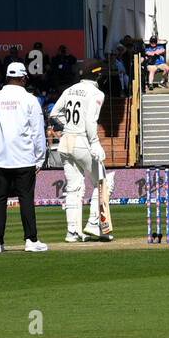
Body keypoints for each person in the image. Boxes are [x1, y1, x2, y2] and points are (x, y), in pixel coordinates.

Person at [0, 63, 49, 253]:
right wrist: (40, 158)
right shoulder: (30, 99)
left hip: (1, 158)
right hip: (24, 158)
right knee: (26, 198)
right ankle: (31, 239)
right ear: (23, 78)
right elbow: (37, 131)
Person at [50, 61, 111, 243]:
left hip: (65, 142)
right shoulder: (96, 93)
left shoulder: (69, 90)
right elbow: (91, 121)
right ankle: (93, 224)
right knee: (102, 183)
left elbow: (54, 114)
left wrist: (67, 127)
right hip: (82, 141)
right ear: (98, 75)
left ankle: (72, 232)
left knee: (73, 188)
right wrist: (95, 143)